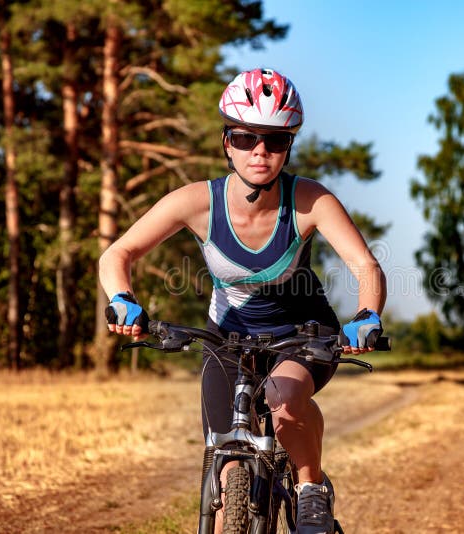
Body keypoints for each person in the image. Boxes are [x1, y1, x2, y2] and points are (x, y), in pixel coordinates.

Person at [99, 68, 386, 534]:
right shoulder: (197, 202)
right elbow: (118, 253)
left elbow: (366, 266)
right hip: (226, 339)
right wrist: (123, 299)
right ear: (226, 142)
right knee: (224, 465)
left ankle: (311, 488)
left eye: (274, 141)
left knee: (283, 399)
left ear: (288, 146)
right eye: (246, 137)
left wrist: (367, 316)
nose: (260, 151)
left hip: (302, 334)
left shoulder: (310, 200)